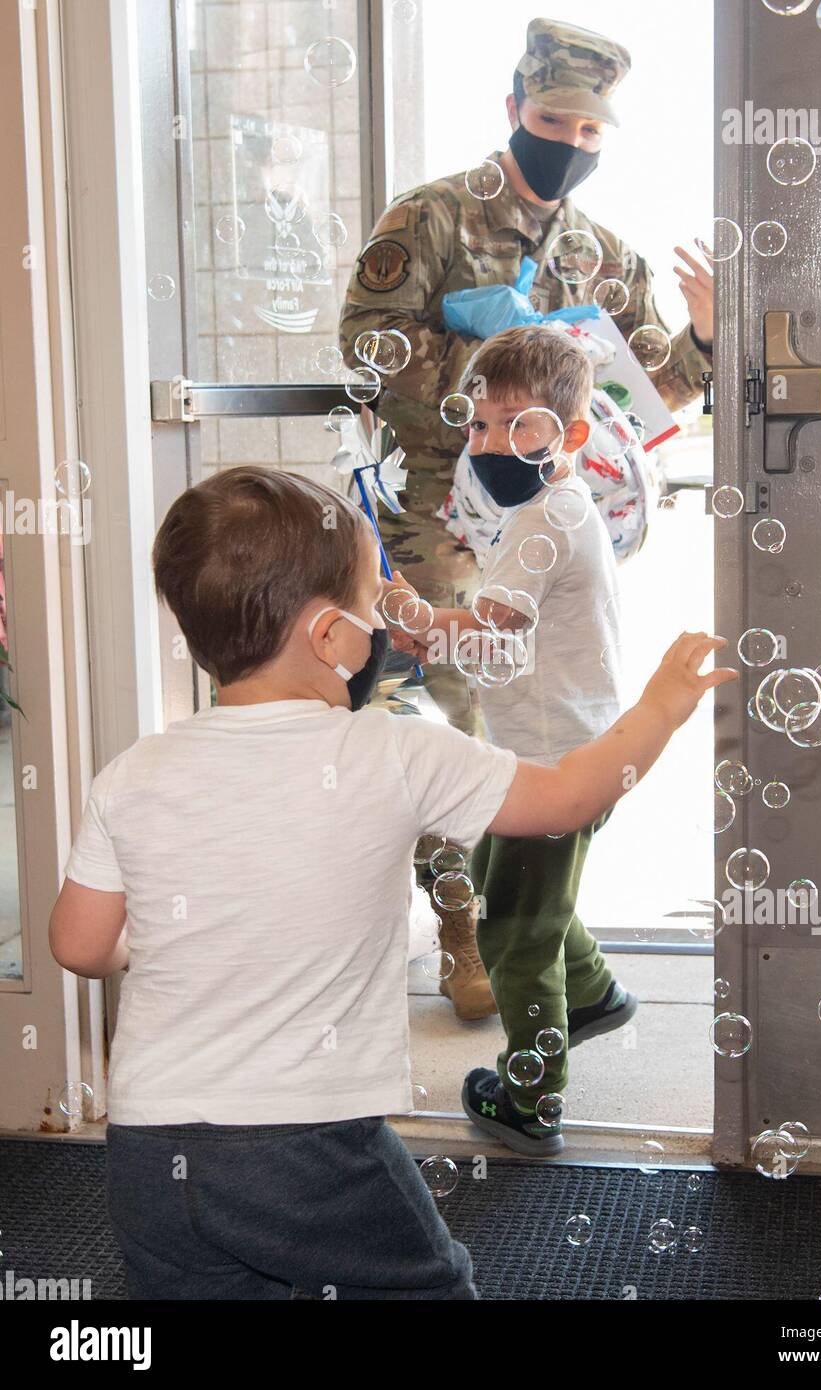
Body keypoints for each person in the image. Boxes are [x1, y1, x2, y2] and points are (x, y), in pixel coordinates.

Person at [48, 465, 735, 1300]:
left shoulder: (134, 771)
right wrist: (662, 703)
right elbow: (572, 794)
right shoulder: (393, 752)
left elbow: (80, 945)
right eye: (375, 607)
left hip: (149, 1150)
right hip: (310, 1148)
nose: (386, 627)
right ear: (332, 639)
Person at [339, 15, 713, 1017]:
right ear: (515, 108)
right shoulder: (430, 219)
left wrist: (707, 337)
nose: (573, 144)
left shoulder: (603, 255)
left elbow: (649, 393)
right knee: (466, 723)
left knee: (551, 734)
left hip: (551, 528)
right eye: (556, 120)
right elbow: (364, 344)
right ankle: (467, 932)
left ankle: (546, 937)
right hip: (444, 523)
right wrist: (481, 363)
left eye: (593, 132)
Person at [386, 324, 640, 1154]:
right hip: (556, 749)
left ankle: (534, 1099)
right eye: (480, 425)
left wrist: (419, 619)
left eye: (517, 424)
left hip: (557, 762)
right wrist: (435, 630)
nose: (491, 442)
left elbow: (492, 626)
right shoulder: (543, 501)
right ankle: (593, 994)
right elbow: (500, 639)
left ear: (568, 435)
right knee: (512, 889)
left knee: (513, 931)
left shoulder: (543, 520)